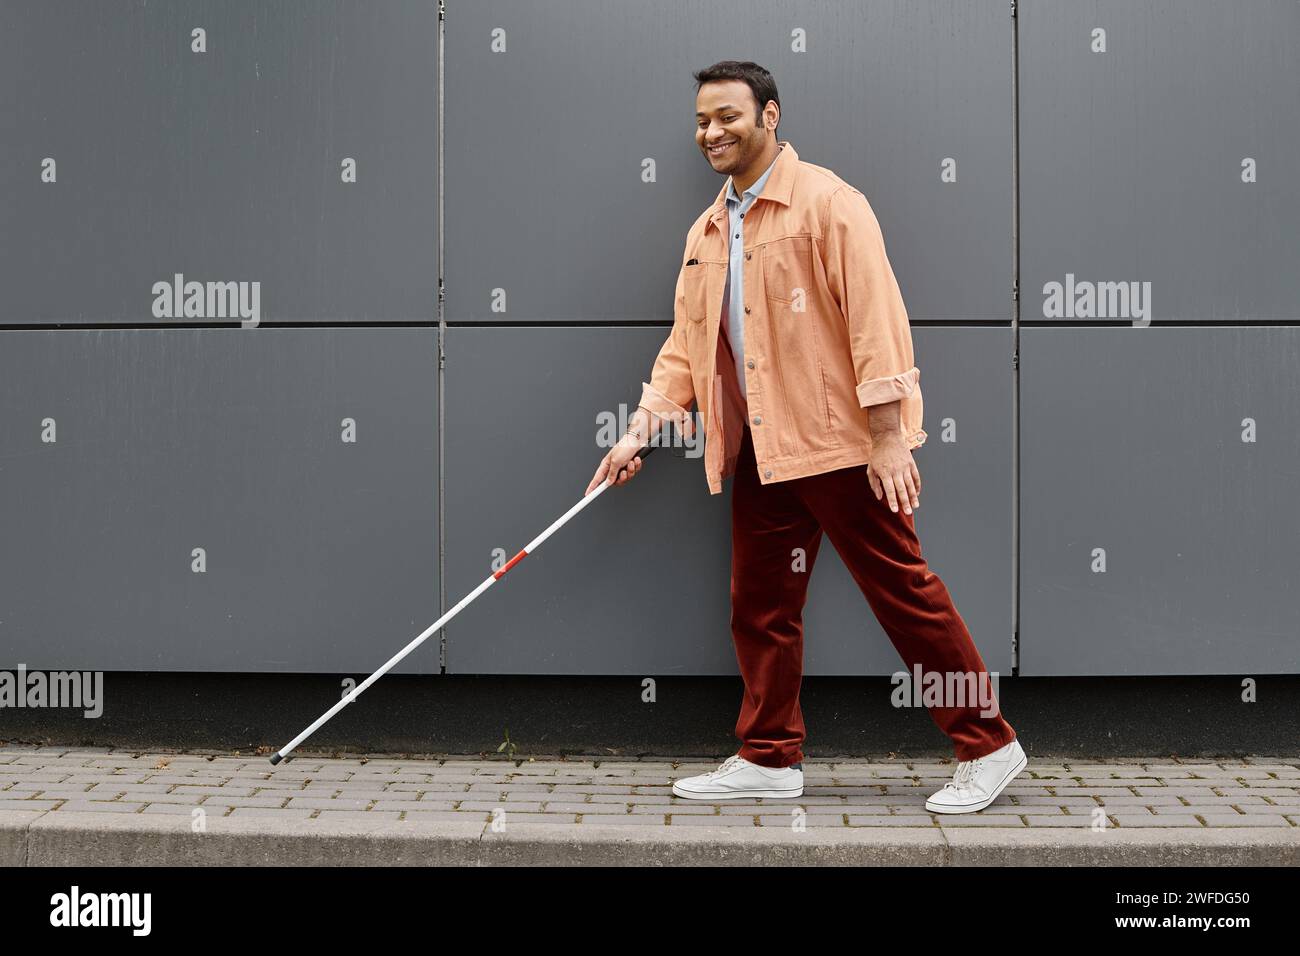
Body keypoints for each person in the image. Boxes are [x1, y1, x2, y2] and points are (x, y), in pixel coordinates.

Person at [585, 61, 1026, 814]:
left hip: (843, 446)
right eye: (700, 121)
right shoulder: (709, 228)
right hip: (762, 448)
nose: (711, 132)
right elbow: (685, 348)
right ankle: (767, 756)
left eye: (727, 116)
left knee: (904, 594)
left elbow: (876, 319)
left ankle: (989, 745)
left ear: (770, 116)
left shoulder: (827, 203)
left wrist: (889, 437)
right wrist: (638, 434)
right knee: (759, 604)